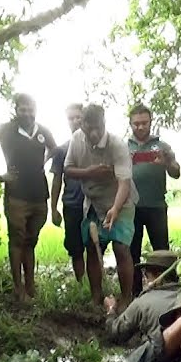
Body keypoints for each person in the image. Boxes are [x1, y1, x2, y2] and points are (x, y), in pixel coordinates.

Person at [0, 93, 56, 302]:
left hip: (39, 196)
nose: (27, 113)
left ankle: (31, 286)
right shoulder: (5, 130)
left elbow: (55, 149)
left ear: (36, 110)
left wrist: (45, 161)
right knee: (17, 240)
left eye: (31, 109)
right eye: (23, 109)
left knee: (31, 241)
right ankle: (18, 288)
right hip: (16, 196)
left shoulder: (43, 131)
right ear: (16, 109)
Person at [64, 103, 138, 309]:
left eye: (98, 127)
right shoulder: (77, 139)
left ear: (104, 123)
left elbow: (124, 183)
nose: (94, 133)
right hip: (93, 204)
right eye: (89, 129)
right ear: (83, 125)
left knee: (121, 247)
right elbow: (68, 169)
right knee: (92, 247)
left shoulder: (117, 145)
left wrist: (115, 209)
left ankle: (126, 299)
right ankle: (96, 298)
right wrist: (90, 172)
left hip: (120, 203)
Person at [127, 104, 181, 295]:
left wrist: (167, 162)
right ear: (130, 124)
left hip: (156, 207)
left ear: (151, 122)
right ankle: (135, 295)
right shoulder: (124, 147)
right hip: (131, 208)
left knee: (161, 252)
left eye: (144, 123)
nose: (140, 127)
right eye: (136, 124)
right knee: (132, 253)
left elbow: (177, 173)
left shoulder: (162, 146)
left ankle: (167, 292)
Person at [104, 249, 181, 346]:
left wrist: (111, 310)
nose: (144, 279)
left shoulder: (143, 302)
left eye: (146, 275)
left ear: (159, 277)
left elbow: (116, 333)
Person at [50, 103, 88, 282]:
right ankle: (81, 283)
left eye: (78, 117)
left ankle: (96, 283)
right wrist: (53, 208)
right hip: (72, 204)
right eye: (71, 118)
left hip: (94, 204)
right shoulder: (62, 150)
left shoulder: (96, 146)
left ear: (84, 118)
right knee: (75, 248)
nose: (75, 121)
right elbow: (57, 179)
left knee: (96, 244)